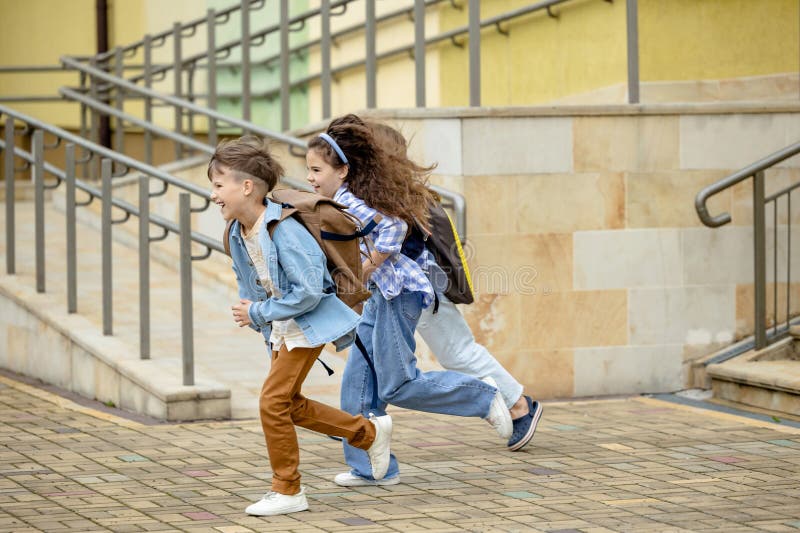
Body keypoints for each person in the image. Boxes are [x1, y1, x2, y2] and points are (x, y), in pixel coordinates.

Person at [305, 114, 512, 488]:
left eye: (316, 170)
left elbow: (395, 227)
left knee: (396, 385)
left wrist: (368, 266)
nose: (310, 177)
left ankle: (483, 397)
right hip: (383, 296)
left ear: (343, 170)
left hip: (400, 294)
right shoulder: (344, 199)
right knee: (357, 385)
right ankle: (372, 469)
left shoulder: (350, 200)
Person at [207, 136, 392, 515]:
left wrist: (257, 313)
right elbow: (252, 284)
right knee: (288, 404)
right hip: (283, 325)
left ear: (247, 187)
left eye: (219, 185)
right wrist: (260, 318)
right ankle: (367, 433)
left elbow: (310, 291)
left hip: (308, 323)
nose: (213, 195)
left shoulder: (284, 230)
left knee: (272, 403)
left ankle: (288, 489)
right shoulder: (238, 232)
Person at [369, 122, 544, 453]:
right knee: (378, 355)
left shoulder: (396, 196)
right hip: (402, 290)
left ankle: (519, 404)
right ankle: (358, 420)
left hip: (422, 288)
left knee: (457, 352)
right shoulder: (388, 192)